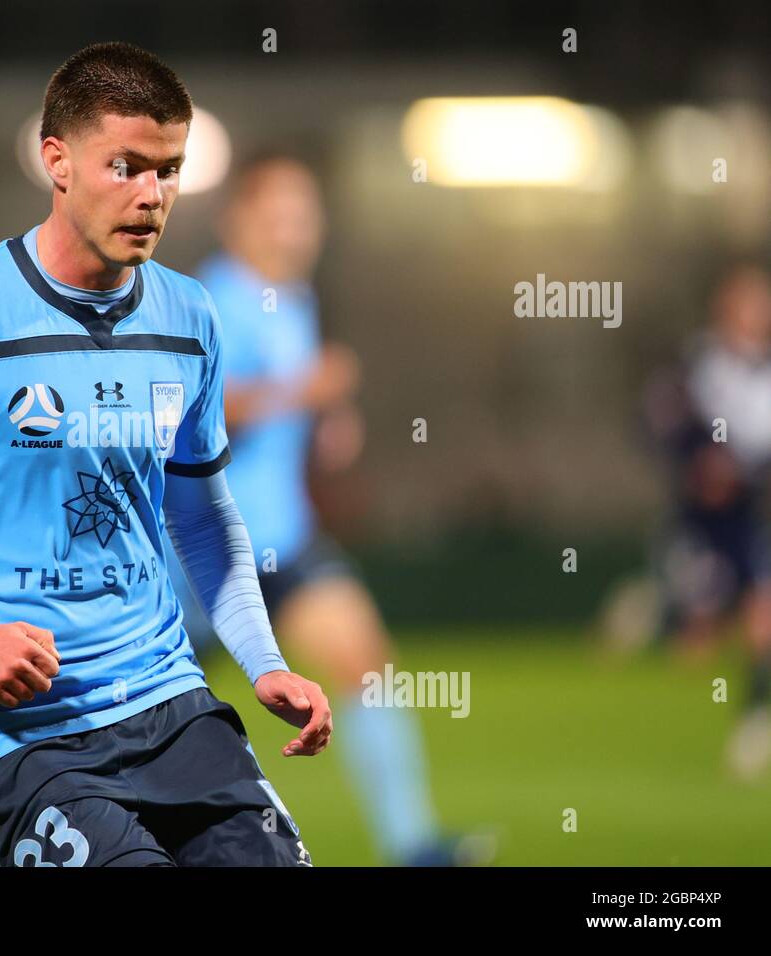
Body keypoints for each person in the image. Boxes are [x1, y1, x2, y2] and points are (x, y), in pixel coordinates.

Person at [0, 42, 330, 867]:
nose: (152, 196)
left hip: (164, 702)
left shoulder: (191, 317)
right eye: (127, 165)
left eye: (170, 171)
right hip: (5, 738)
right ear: (58, 162)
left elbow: (201, 507)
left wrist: (262, 661)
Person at [167, 155, 488, 865]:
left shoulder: (294, 299)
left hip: (284, 538)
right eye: (278, 210)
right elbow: (197, 415)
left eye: (305, 212)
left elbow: (291, 407)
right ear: (237, 218)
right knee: (148, 713)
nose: (295, 227)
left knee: (364, 663)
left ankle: (413, 845)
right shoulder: (211, 298)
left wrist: (328, 420)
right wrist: (306, 392)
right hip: (202, 547)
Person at [642, 264, 771, 779]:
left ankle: (754, 722)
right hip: (701, 518)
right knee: (695, 643)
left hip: (754, 511)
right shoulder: (696, 365)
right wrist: (699, 462)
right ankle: (660, 604)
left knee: (763, 620)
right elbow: (657, 422)